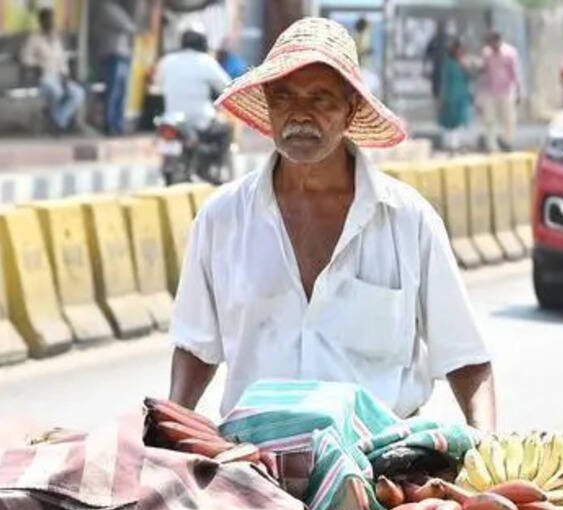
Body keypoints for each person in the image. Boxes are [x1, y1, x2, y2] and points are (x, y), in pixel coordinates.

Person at [169, 17, 497, 431]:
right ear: (268, 105)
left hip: (381, 464)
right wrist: (168, 434)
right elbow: (197, 347)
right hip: (254, 462)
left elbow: (464, 357)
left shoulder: (407, 220)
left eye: (321, 99)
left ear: (351, 110)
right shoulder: (221, 219)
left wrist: (487, 448)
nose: (300, 115)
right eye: (284, 97)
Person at [153, 25, 232, 136]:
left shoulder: (167, 60)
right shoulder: (206, 61)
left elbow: (157, 83)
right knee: (226, 128)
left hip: (171, 118)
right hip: (200, 119)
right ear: (203, 43)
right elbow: (227, 86)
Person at [20, 7, 86, 135]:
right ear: (41, 22)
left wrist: (65, 75)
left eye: (52, 20)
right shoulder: (34, 39)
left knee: (78, 93)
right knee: (57, 92)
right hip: (43, 77)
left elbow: (62, 61)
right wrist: (36, 66)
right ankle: (60, 124)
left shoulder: (56, 40)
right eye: (47, 20)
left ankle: (58, 121)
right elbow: (26, 60)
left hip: (58, 77)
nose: (51, 23)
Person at [94, 0, 142, 135]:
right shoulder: (107, 7)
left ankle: (118, 125)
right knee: (113, 92)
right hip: (113, 54)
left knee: (121, 92)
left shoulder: (119, 8)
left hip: (123, 55)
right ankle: (110, 125)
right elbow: (127, 26)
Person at [478, 30, 520, 152]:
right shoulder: (486, 53)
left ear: (498, 41)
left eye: (493, 43)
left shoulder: (510, 53)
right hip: (490, 91)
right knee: (489, 119)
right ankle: (492, 146)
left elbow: (515, 73)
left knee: (508, 119)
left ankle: (506, 141)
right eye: (490, 44)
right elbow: (483, 69)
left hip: (506, 91)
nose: (492, 46)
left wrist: (518, 91)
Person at [438, 38, 474, 151]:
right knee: (450, 120)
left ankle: (458, 144)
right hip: (450, 96)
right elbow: (445, 81)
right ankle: (451, 144)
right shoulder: (449, 63)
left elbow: (470, 78)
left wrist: (466, 67)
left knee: (461, 119)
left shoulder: (464, 63)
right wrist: (442, 97)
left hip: (462, 96)